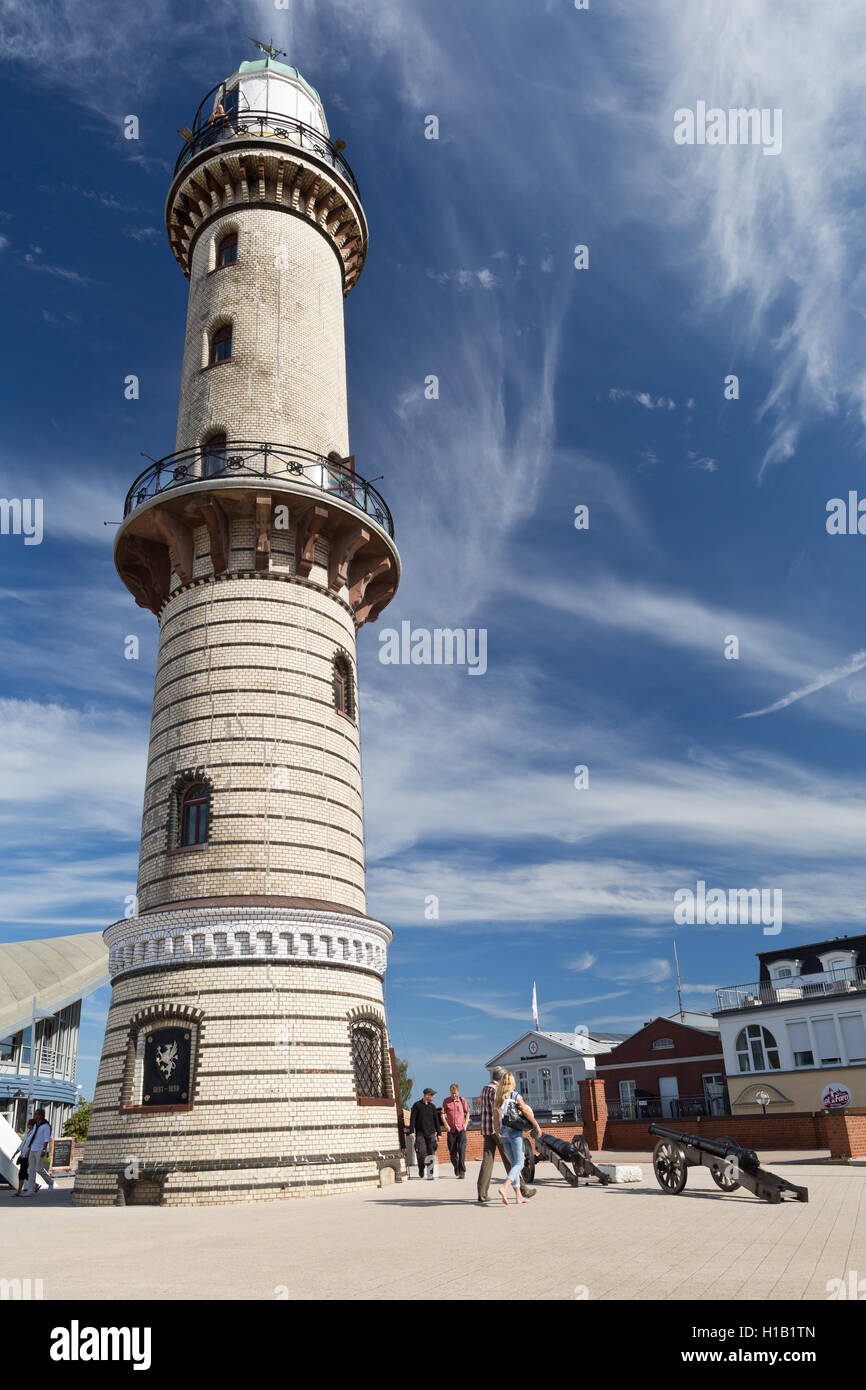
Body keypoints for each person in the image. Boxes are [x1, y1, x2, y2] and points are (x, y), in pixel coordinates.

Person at [477, 1066, 535, 1204]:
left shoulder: (485, 1089)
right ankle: (523, 1190)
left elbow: (481, 1106)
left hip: (485, 1129)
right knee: (511, 1160)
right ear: (501, 1078)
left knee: (487, 1161)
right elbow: (501, 1110)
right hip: (499, 1130)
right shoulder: (497, 1090)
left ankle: (482, 1193)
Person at [493, 1071, 541, 1206]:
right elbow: (525, 1111)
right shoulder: (515, 1095)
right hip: (514, 1133)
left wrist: (498, 1135)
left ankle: (519, 1196)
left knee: (514, 1164)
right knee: (519, 1163)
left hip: (504, 1134)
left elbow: (495, 1120)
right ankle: (504, 1187)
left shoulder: (498, 1098)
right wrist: (536, 1125)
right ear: (512, 1083)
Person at [407, 1088, 442, 1178]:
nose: (433, 1097)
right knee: (420, 1153)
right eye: (432, 1095)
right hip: (420, 1134)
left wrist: (439, 1133)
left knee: (431, 1154)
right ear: (427, 1095)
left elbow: (436, 1121)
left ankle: (430, 1174)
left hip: (430, 1134)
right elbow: (413, 1119)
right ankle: (421, 1168)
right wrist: (411, 1131)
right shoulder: (417, 1105)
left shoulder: (432, 1107)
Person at [441, 1082, 470, 1178]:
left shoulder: (462, 1100)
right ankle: (456, 1166)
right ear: (450, 1092)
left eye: (455, 1093)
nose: (454, 1095)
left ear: (458, 1092)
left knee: (462, 1150)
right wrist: (446, 1125)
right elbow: (442, 1114)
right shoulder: (446, 1101)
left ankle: (462, 1172)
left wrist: (465, 1124)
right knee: (452, 1153)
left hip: (461, 1129)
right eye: (452, 1093)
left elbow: (468, 1112)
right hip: (451, 1131)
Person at [20, 1109, 51, 1196]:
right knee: (31, 1170)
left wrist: (44, 1150)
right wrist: (28, 1151)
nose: (35, 1117)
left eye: (36, 1115)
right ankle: (31, 1190)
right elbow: (32, 1139)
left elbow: (46, 1138)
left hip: (40, 1149)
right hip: (33, 1149)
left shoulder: (45, 1125)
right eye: (35, 1115)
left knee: (39, 1169)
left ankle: (50, 1182)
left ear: (41, 1115)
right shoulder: (36, 1126)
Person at [11, 1117, 38, 1197]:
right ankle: (34, 1185)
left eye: (29, 1124)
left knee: (22, 1173)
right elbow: (22, 1144)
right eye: (28, 1124)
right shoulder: (27, 1133)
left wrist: (28, 1154)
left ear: (33, 1125)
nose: (28, 1126)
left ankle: (19, 1191)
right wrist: (15, 1153)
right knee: (23, 1173)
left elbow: (32, 1145)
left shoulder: (34, 1134)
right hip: (23, 1155)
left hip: (28, 1156)